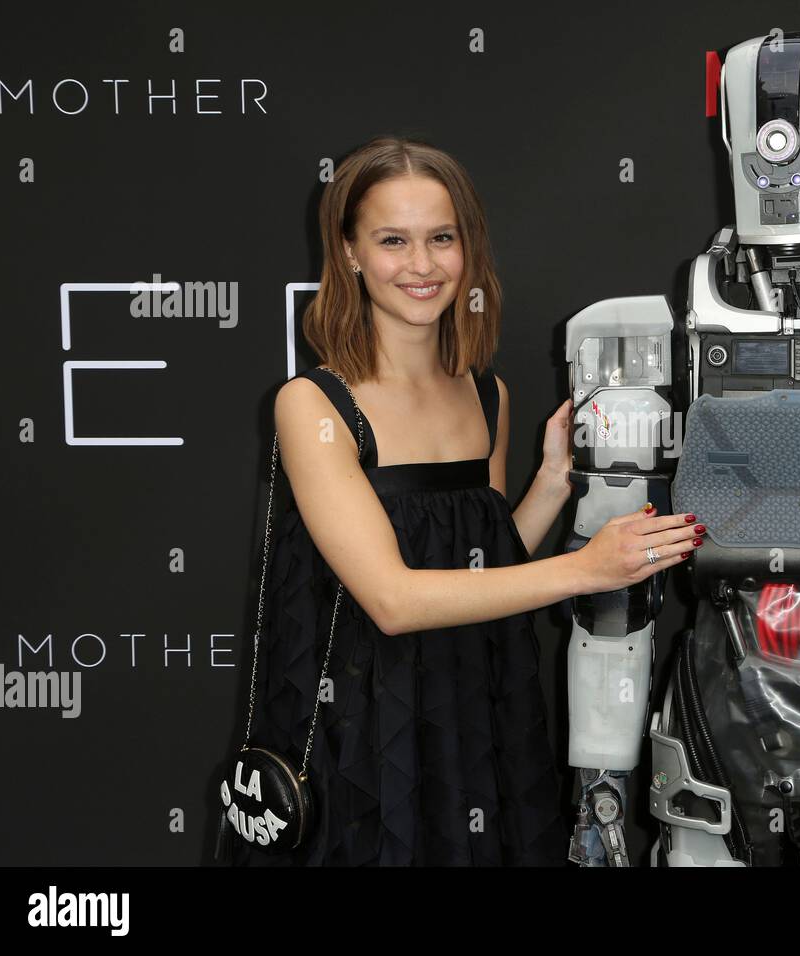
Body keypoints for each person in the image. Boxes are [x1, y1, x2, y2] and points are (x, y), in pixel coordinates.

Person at [229, 135, 705, 866]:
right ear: (350, 252)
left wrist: (549, 484)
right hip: (359, 725)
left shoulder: (485, 392)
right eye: (393, 240)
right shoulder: (313, 405)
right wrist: (588, 570)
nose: (421, 266)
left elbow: (479, 567)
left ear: (467, 248)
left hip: (472, 709)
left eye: (441, 238)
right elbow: (392, 598)